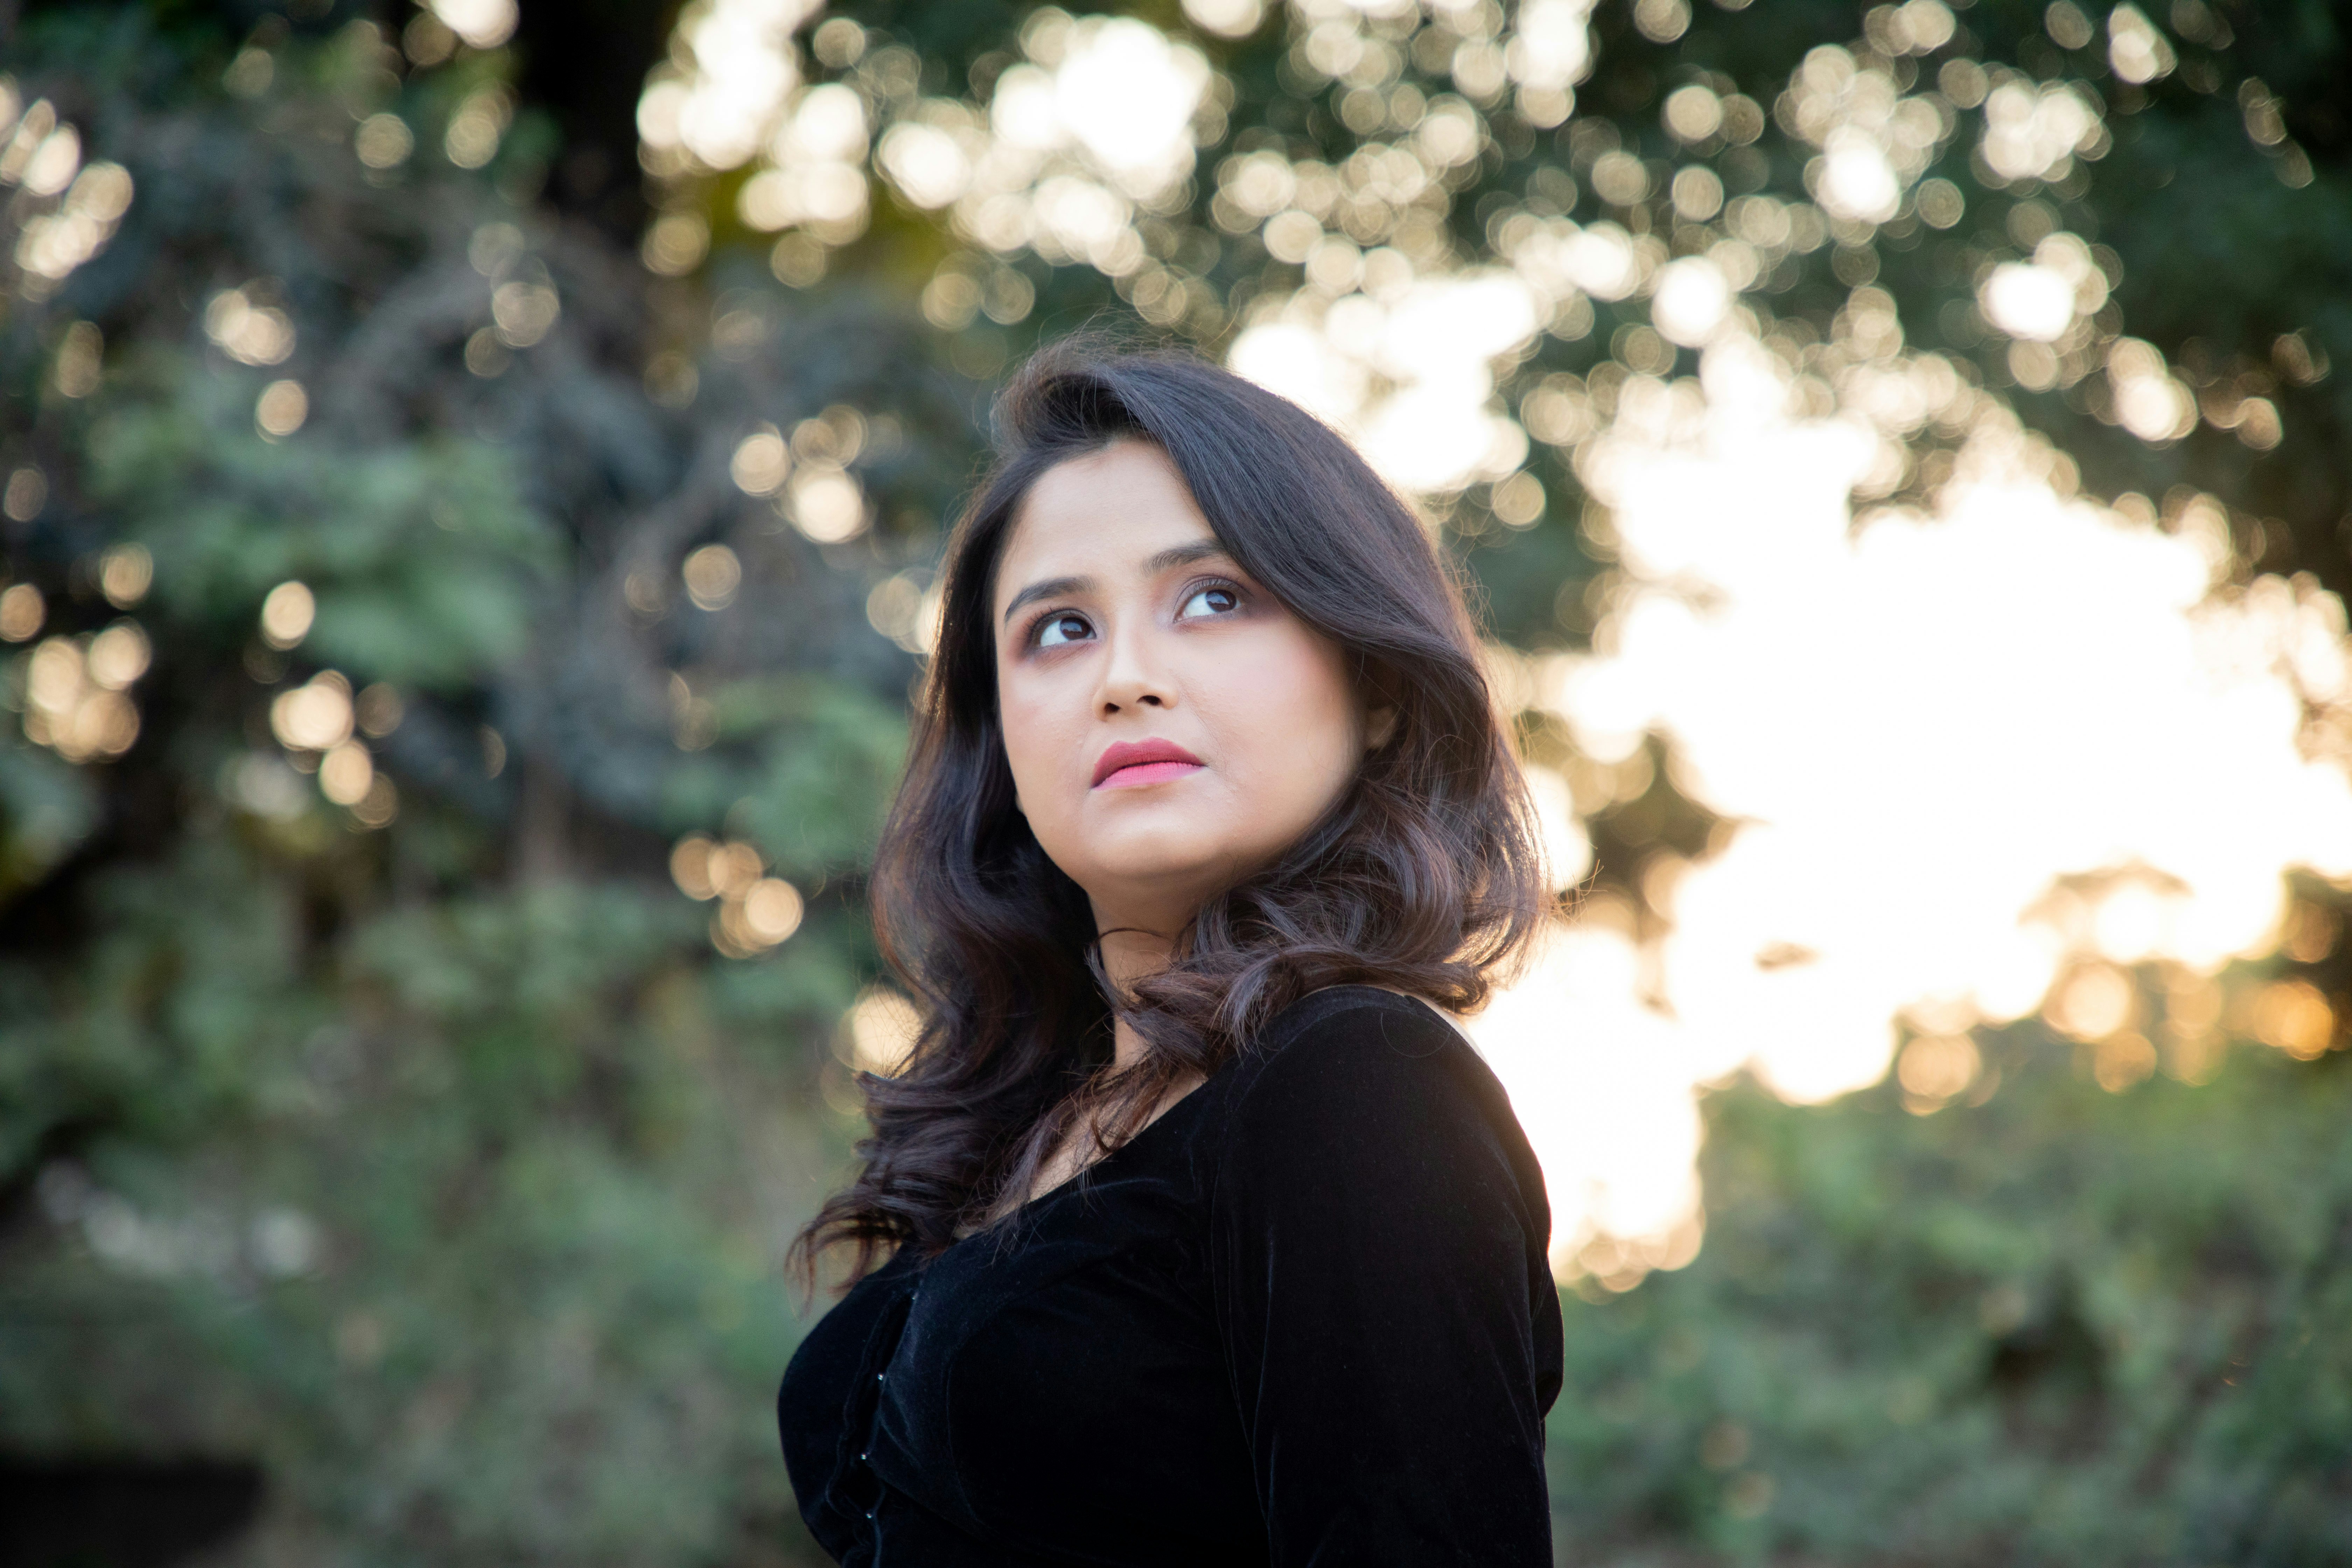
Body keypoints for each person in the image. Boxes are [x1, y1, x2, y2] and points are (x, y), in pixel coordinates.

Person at [777, 342, 1563, 1566]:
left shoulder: (1358, 1086)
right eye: (1059, 629)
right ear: (1003, 740)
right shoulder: (1020, 1133)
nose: (1126, 679)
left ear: (1379, 689)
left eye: (1212, 598)